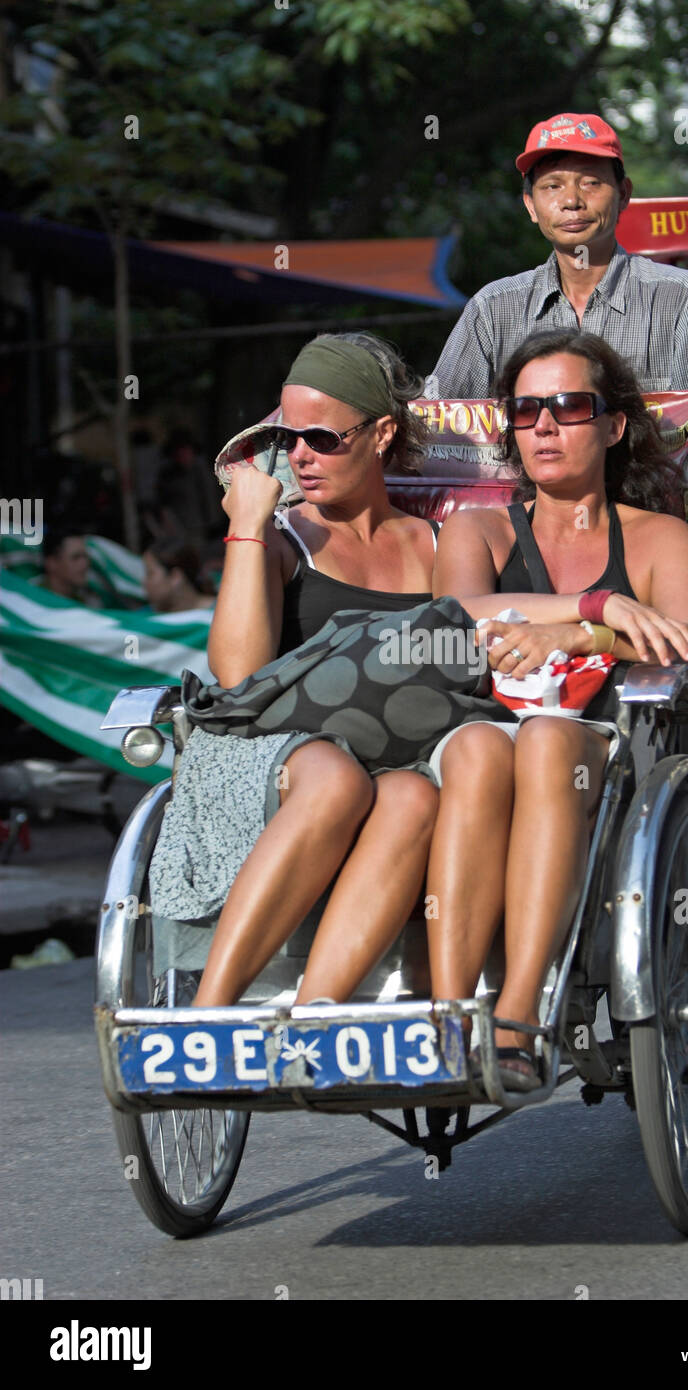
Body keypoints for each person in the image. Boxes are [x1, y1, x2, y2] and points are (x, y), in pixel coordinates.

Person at [424, 328, 688, 1091]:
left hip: (604, 751)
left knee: (549, 743)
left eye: (568, 406)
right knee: (481, 749)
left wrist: (580, 632)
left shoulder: (656, 537)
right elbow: (456, 616)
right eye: (526, 412)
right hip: (482, 738)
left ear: (614, 425)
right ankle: (454, 1016)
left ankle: (520, 1017)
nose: (545, 426)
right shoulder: (478, 528)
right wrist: (601, 606)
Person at [147, 333, 442, 1009]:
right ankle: (210, 1011)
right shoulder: (282, 538)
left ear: (381, 433)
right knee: (335, 779)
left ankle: (314, 1017)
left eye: (321, 436)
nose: (301, 454)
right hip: (272, 750)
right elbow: (239, 671)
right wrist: (248, 525)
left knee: (412, 796)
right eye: (290, 435)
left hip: (394, 752)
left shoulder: (434, 545)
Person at [429, 112, 688, 412]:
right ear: (531, 205)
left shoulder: (682, 297)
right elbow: (436, 417)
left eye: (591, 182)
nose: (571, 201)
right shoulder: (492, 310)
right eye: (553, 186)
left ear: (623, 194)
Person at [143, 538, 215, 613]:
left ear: (175, 576)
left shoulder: (220, 614)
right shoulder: (145, 616)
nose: (145, 582)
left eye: (150, 573)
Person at [37, 529, 97, 605]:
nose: (85, 564)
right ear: (51, 563)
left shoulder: (83, 602)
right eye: (76, 557)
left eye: (85, 556)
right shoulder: (30, 599)